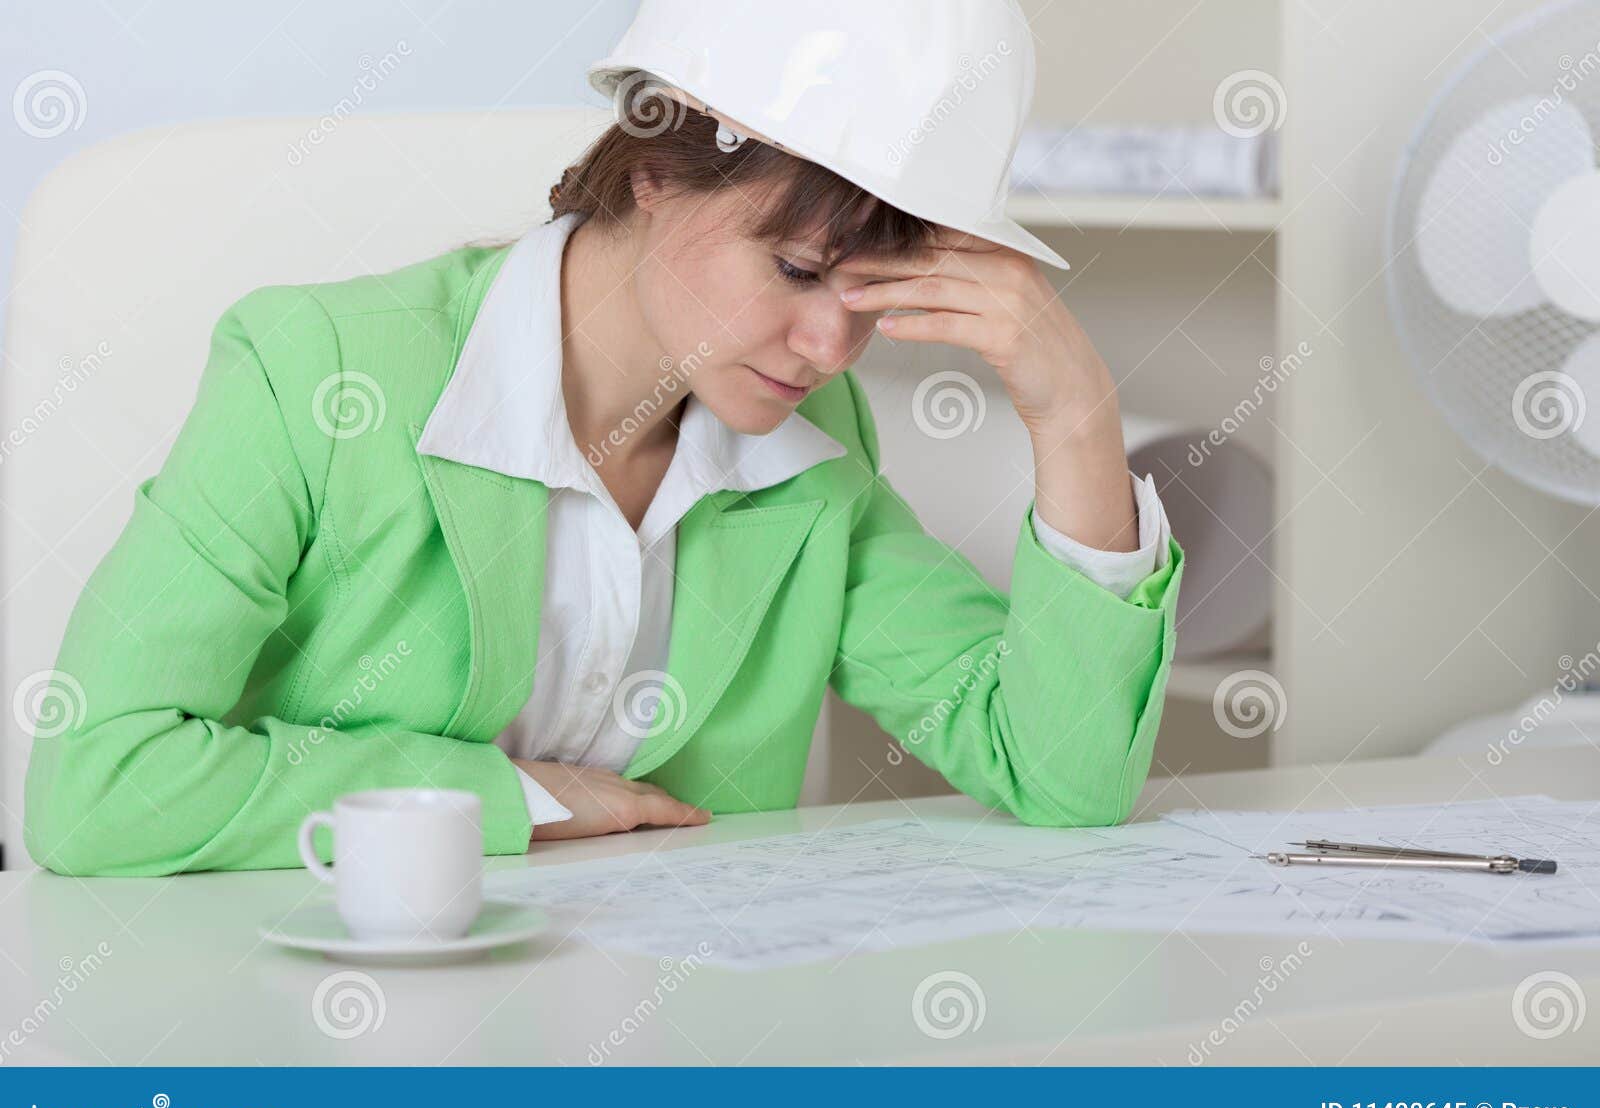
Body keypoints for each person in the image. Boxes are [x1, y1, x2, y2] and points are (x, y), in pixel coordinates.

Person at [24, 0, 1184, 876]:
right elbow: (97, 785)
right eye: (795, 270)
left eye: (874, 297)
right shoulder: (316, 373)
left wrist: (1074, 414)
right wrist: (512, 800)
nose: (833, 346)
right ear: (654, 173)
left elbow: (1058, 775)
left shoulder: (812, 444)